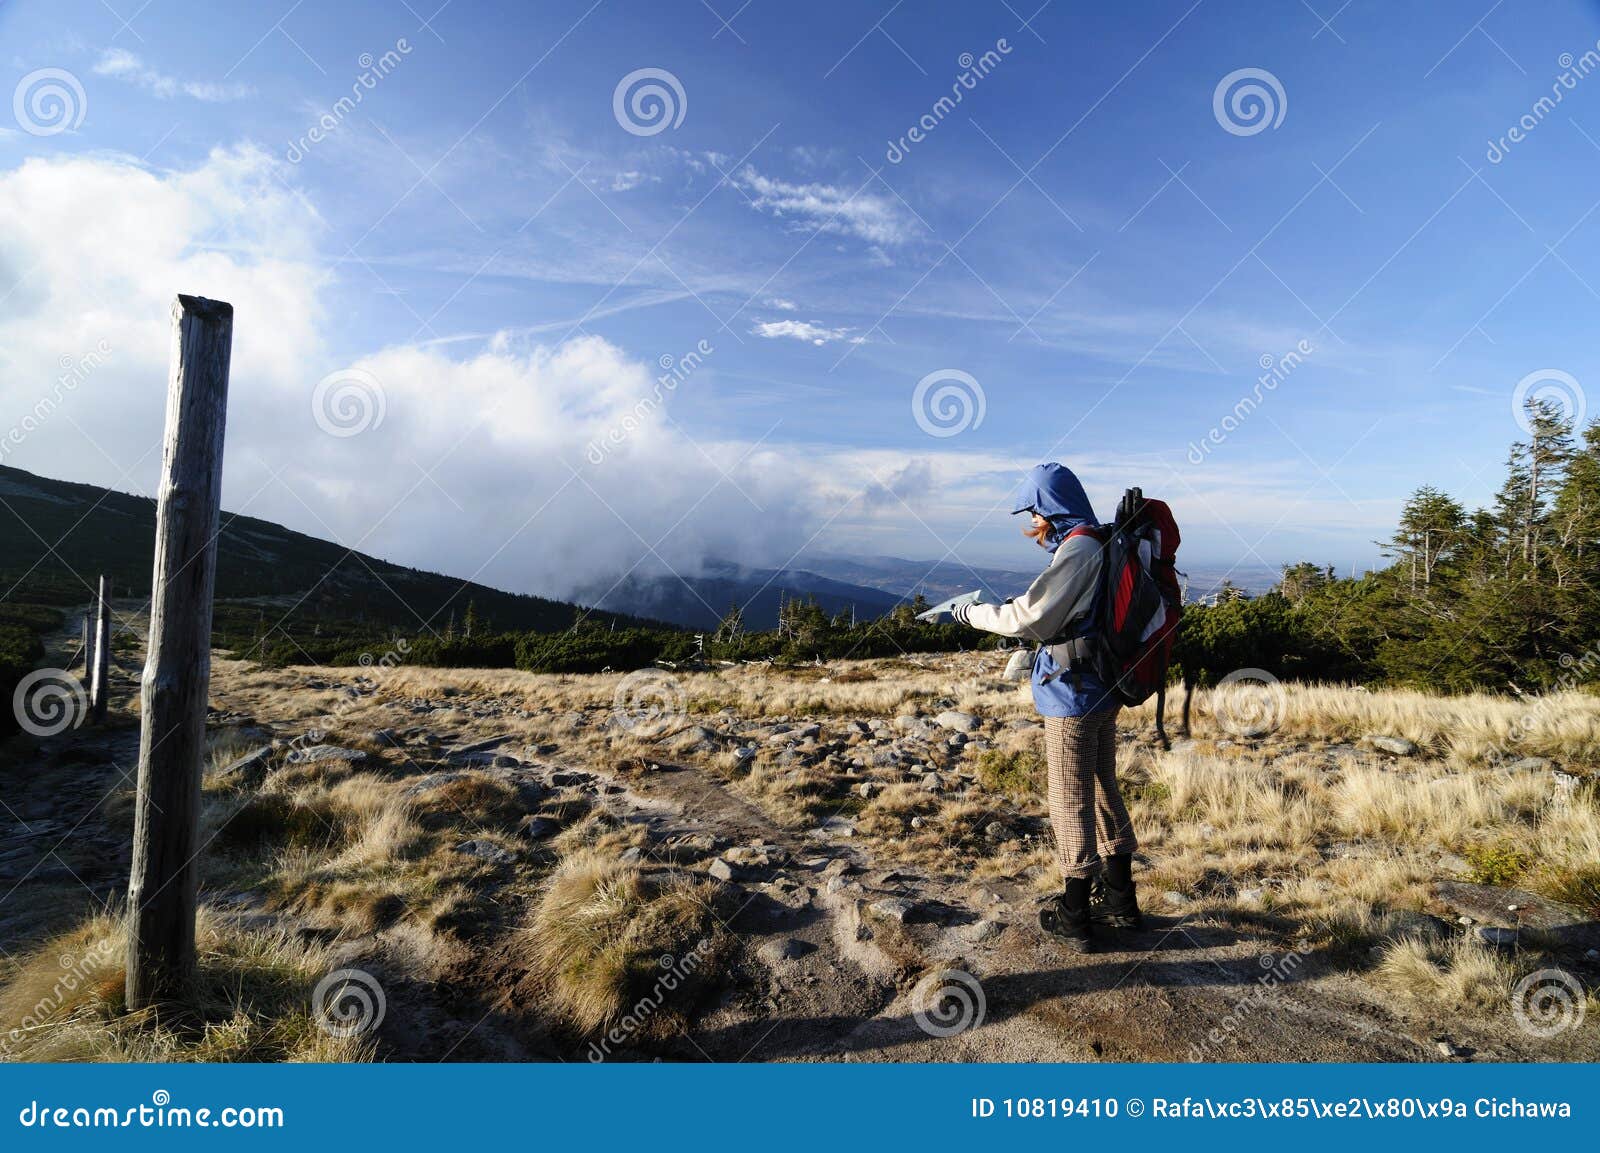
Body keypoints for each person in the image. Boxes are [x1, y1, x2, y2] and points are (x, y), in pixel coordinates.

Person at [949, 462, 1141, 952]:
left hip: (1072, 690)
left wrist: (968, 613)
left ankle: (1075, 912)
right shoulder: (1101, 540)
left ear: (1049, 507)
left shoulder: (1078, 548)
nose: (1031, 522)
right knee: (1100, 785)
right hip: (1103, 684)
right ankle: (1121, 902)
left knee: (1068, 793)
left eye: (1034, 510)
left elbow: (1030, 618)